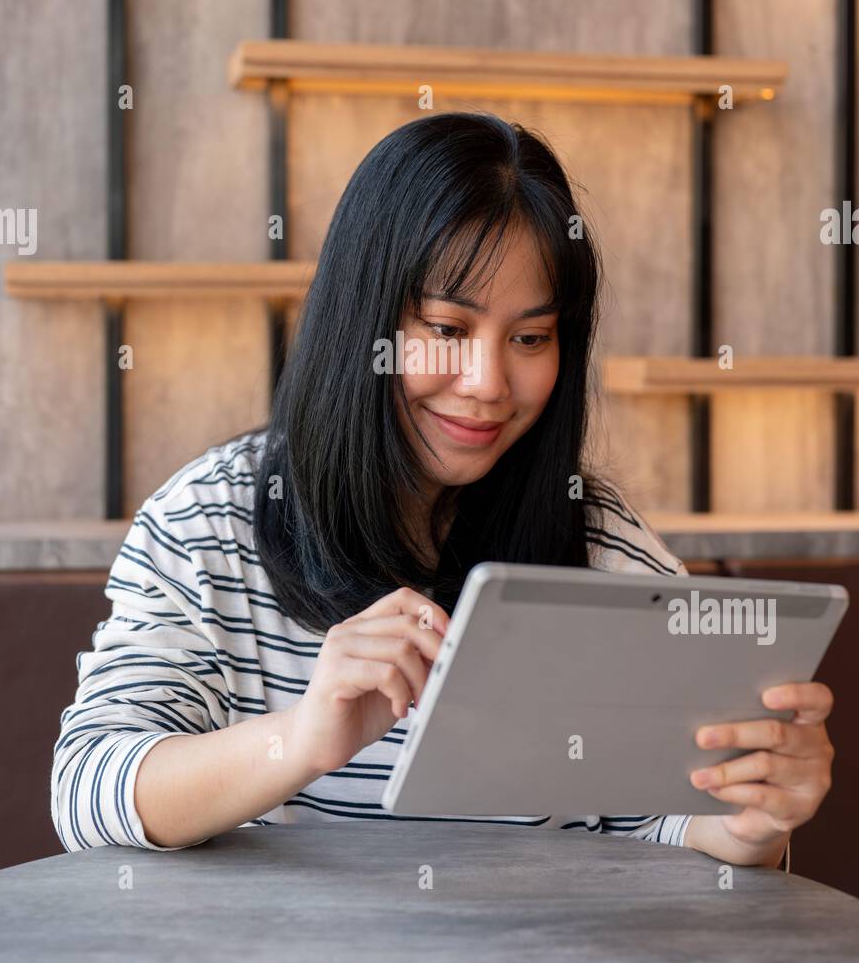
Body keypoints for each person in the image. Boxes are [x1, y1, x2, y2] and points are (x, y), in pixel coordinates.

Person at [51, 113, 832, 866]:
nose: (487, 384)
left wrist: (747, 826)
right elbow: (90, 791)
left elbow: (662, 822)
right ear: (364, 320)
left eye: (530, 339)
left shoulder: (604, 551)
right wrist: (303, 739)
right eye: (448, 330)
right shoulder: (206, 525)